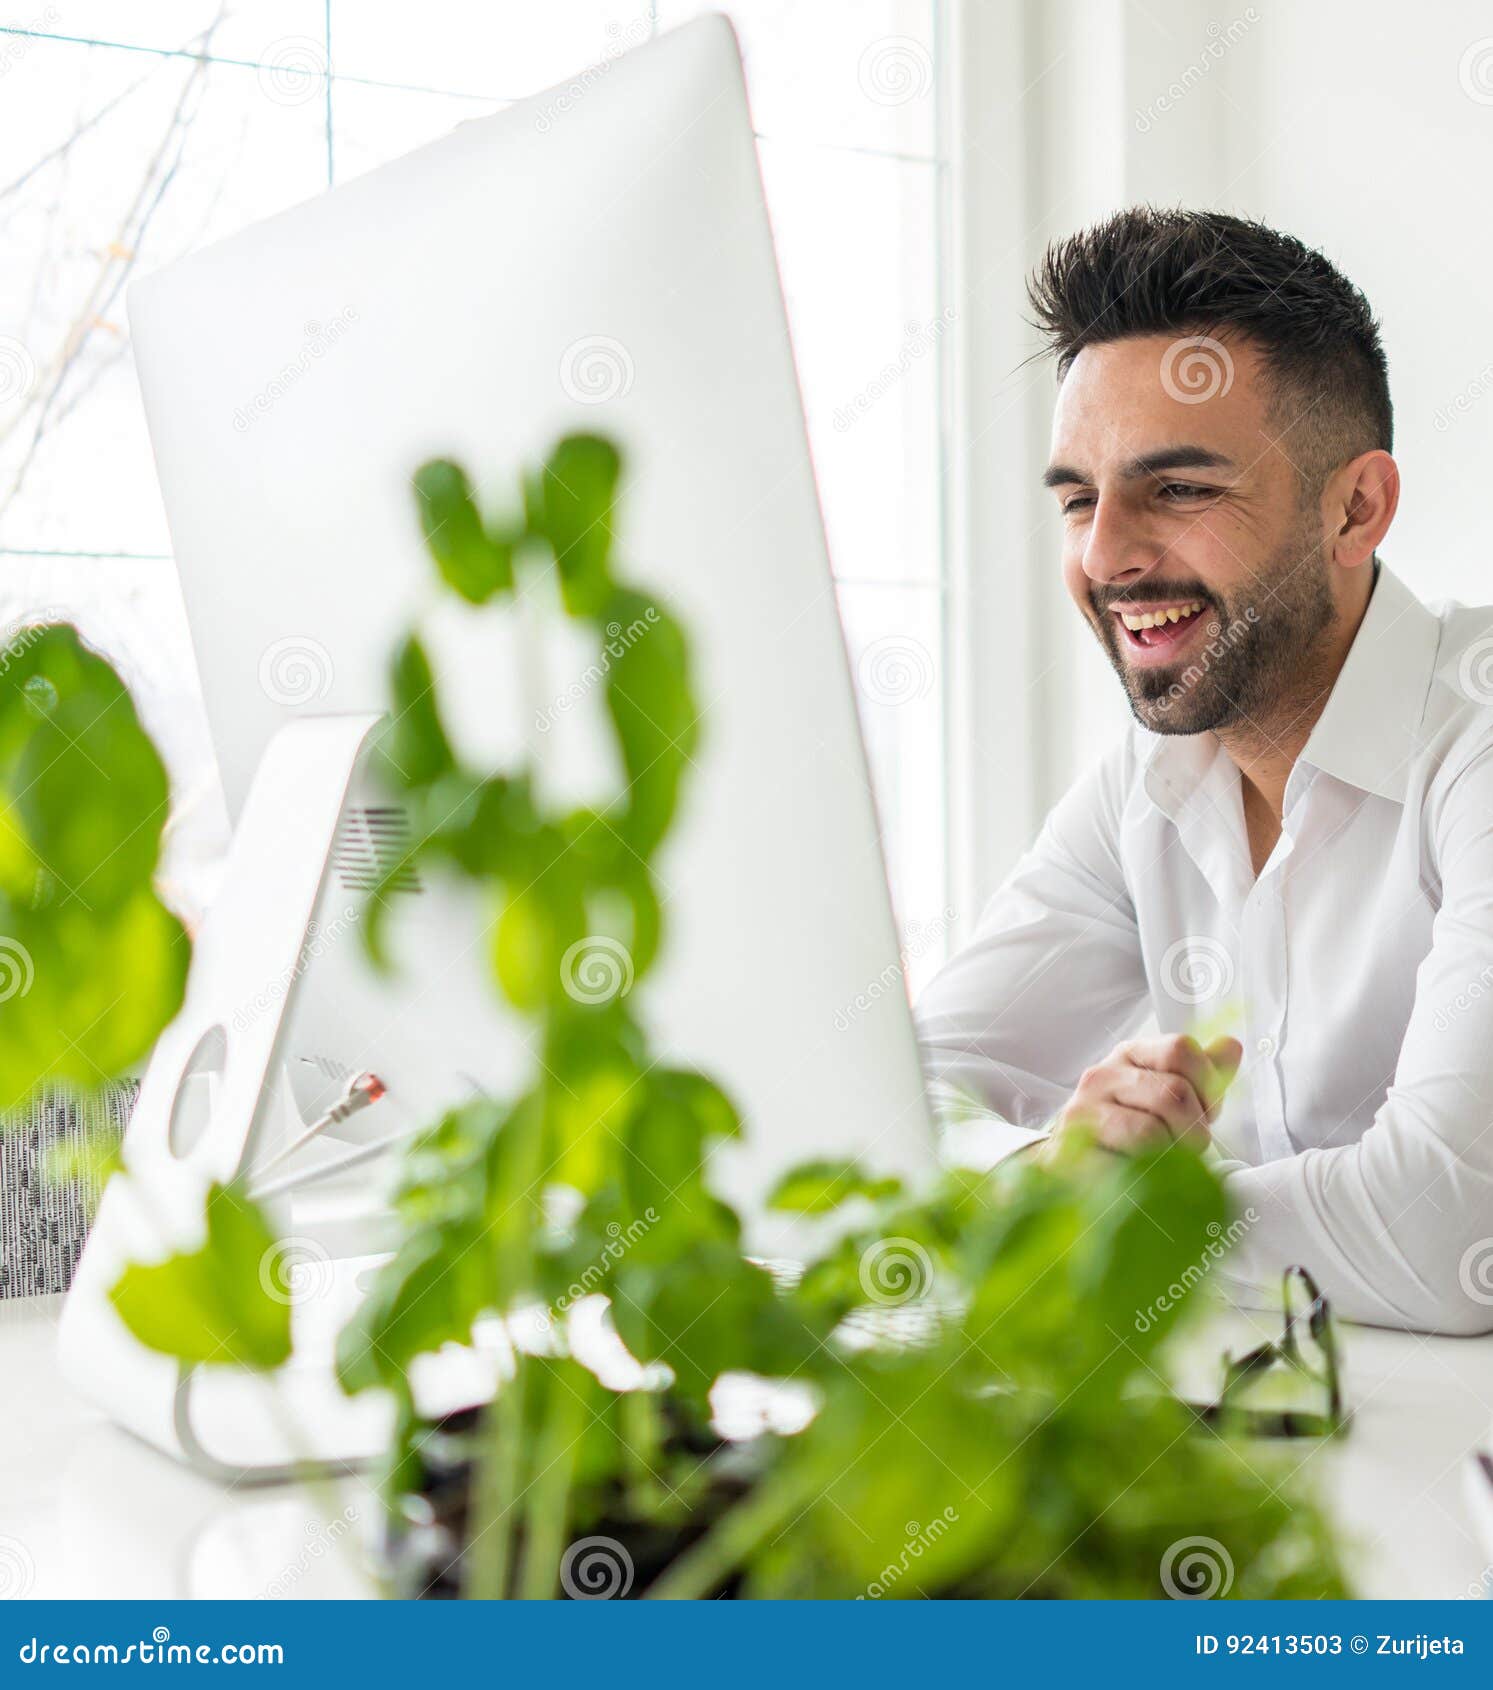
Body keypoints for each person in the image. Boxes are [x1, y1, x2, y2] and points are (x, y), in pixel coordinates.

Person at [917, 206, 1493, 1335]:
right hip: (1287, 1460)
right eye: (1078, 497)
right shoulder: (1152, 776)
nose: (1104, 555)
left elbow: (1445, 1231)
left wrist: (1122, 1218)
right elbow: (899, 1104)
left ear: (1355, 507)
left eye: (1177, 490)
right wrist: (1043, 1170)